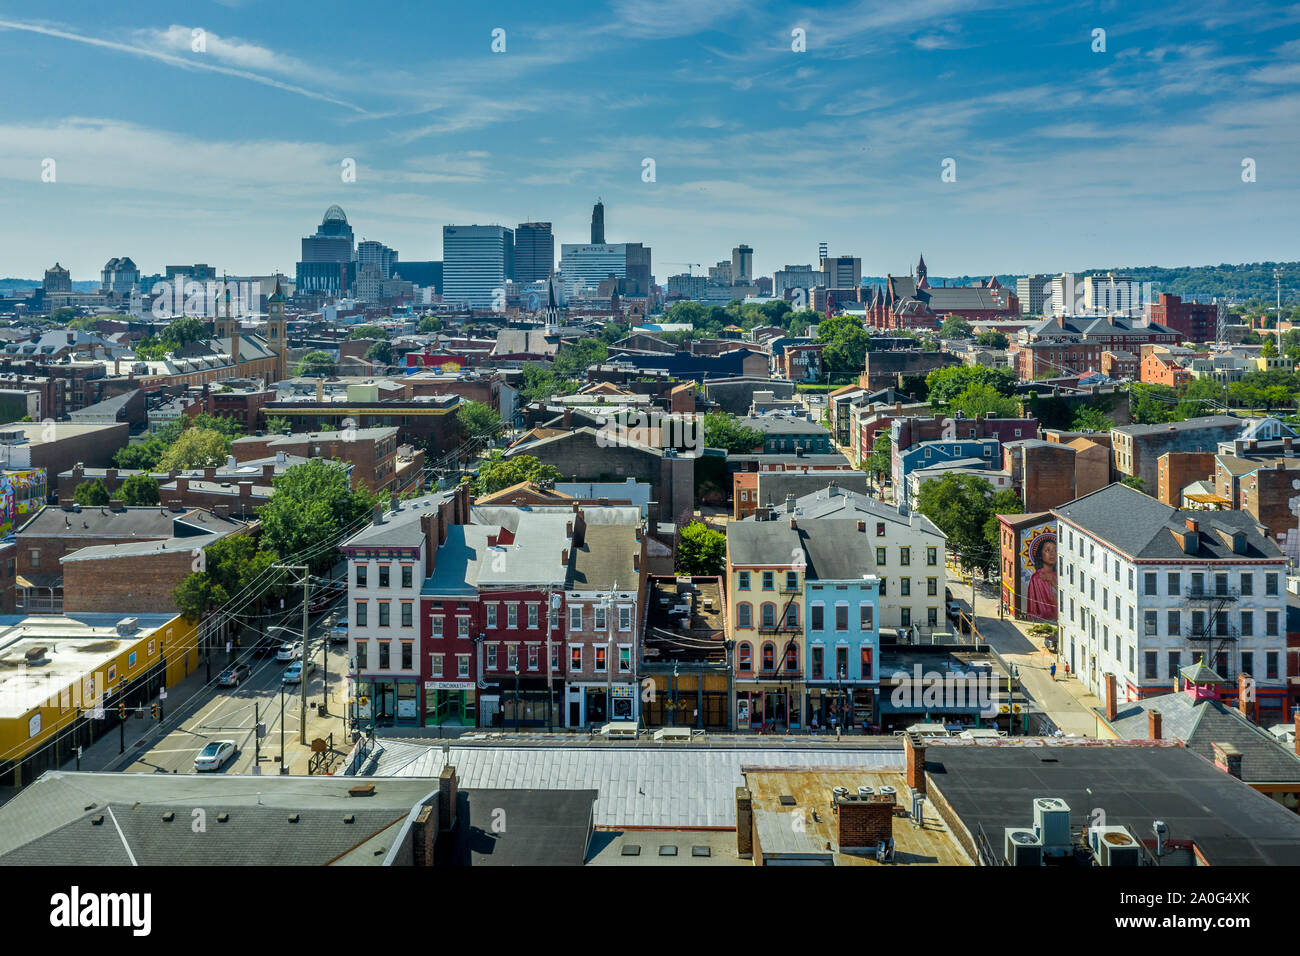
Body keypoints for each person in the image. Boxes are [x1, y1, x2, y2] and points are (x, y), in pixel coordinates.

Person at [1026, 535, 1058, 621]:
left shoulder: (1060, 575)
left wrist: (1053, 581)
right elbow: (1033, 604)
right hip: (1044, 620)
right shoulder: (1036, 578)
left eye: (1055, 550)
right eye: (1047, 550)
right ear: (1040, 554)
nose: (1052, 553)